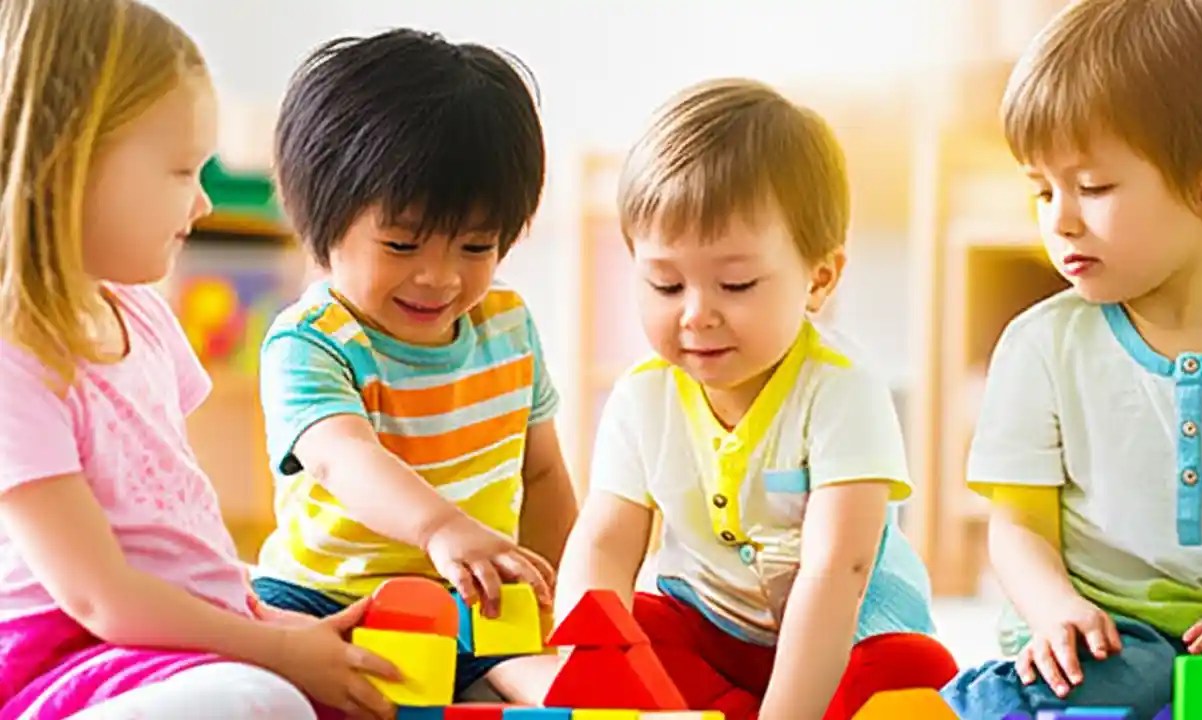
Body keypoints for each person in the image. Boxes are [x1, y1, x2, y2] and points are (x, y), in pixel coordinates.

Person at [0, 1, 400, 718]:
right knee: (259, 698)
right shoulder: (17, 359)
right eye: (183, 170)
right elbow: (100, 595)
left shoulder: (144, 319)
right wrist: (275, 650)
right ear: (71, 161)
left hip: (162, 645)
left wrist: (283, 627)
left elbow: (181, 543)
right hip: (67, 659)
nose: (205, 201)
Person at [554, 78, 958, 720]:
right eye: (664, 283)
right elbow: (603, 543)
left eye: (735, 284)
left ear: (818, 279)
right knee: (636, 633)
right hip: (712, 632)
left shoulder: (840, 389)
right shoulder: (643, 397)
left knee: (909, 678)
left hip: (849, 634)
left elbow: (837, 573)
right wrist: (595, 656)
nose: (695, 315)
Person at [939, 1, 1202, 717]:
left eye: (1092, 187)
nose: (1059, 218)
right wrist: (1056, 612)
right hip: (1103, 636)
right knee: (1098, 688)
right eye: (1042, 190)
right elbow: (1019, 526)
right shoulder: (1042, 346)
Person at [250, 28, 578, 704]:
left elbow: (542, 472)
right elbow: (344, 458)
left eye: (476, 245)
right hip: (325, 602)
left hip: (468, 605)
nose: (439, 277)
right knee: (266, 690)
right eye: (401, 243)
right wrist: (441, 528)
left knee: (573, 690)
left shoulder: (508, 327)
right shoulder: (311, 343)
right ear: (324, 220)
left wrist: (557, 598)